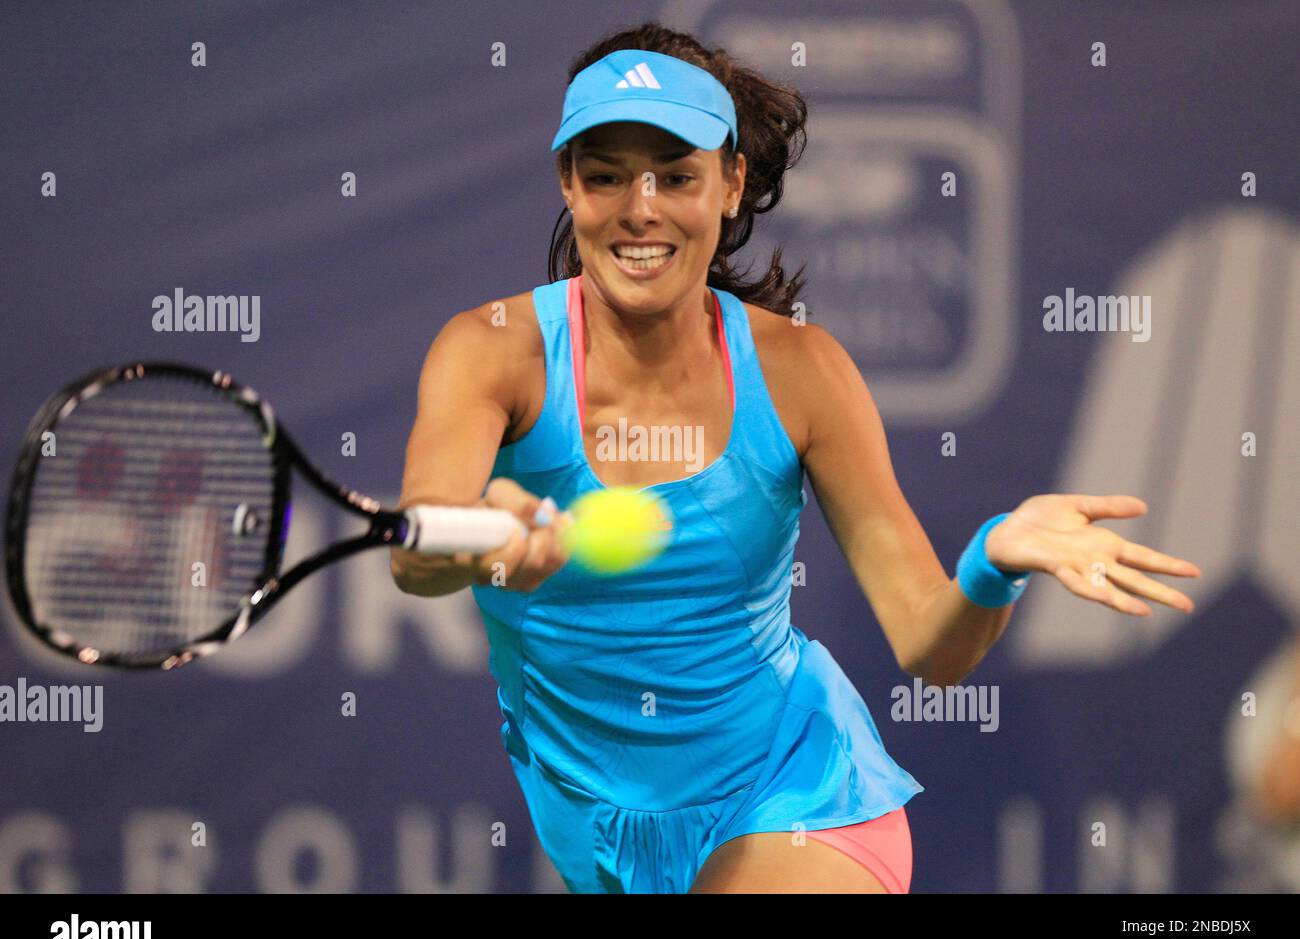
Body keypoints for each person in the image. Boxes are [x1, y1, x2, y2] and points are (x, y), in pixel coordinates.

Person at [391, 22, 1201, 893]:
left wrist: (993, 561)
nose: (640, 208)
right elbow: (414, 551)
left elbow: (931, 648)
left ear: (732, 184)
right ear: (568, 184)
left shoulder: (802, 372)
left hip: (798, 792)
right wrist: (479, 538)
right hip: (592, 826)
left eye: (677, 175)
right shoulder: (490, 351)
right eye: (607, 175)